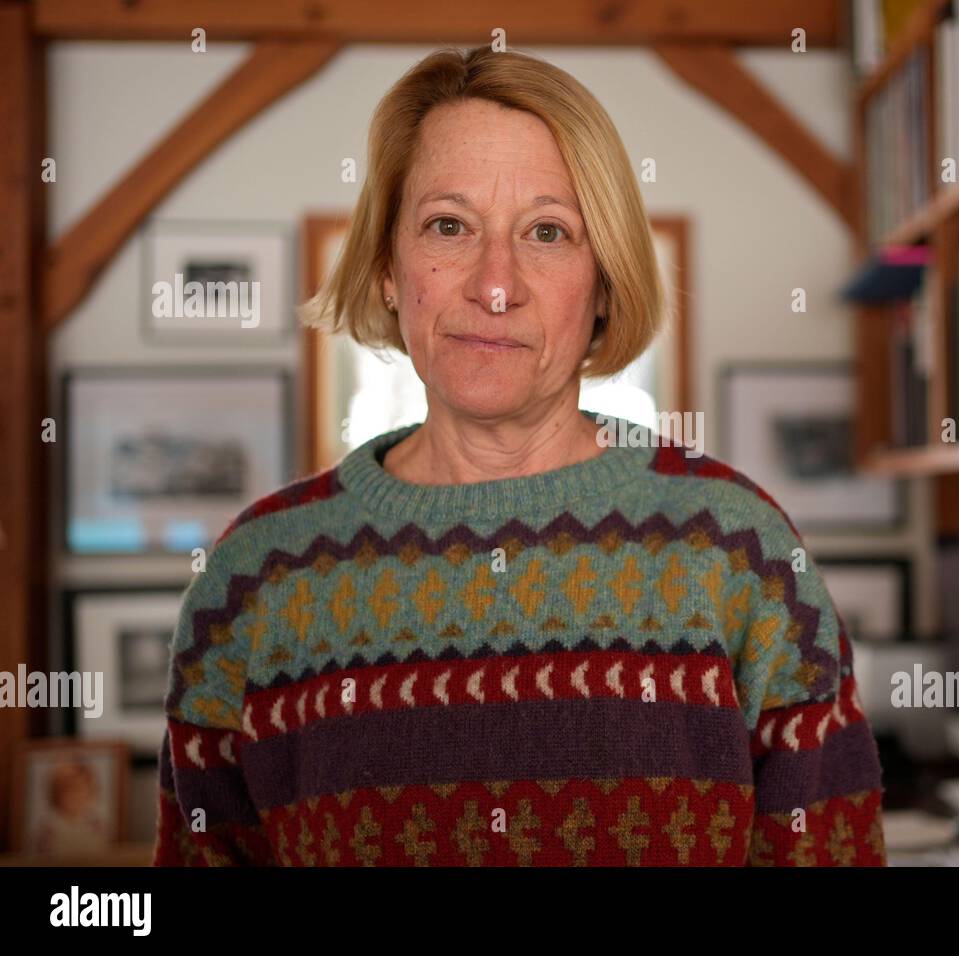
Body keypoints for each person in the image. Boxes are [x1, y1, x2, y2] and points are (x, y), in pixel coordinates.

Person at [153, 45, 885, 866]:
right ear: (390, 270)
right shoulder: (255, 575)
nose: (495, 285)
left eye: (547, 232)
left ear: (604, 282)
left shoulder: (741, 553)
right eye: (448, 226)